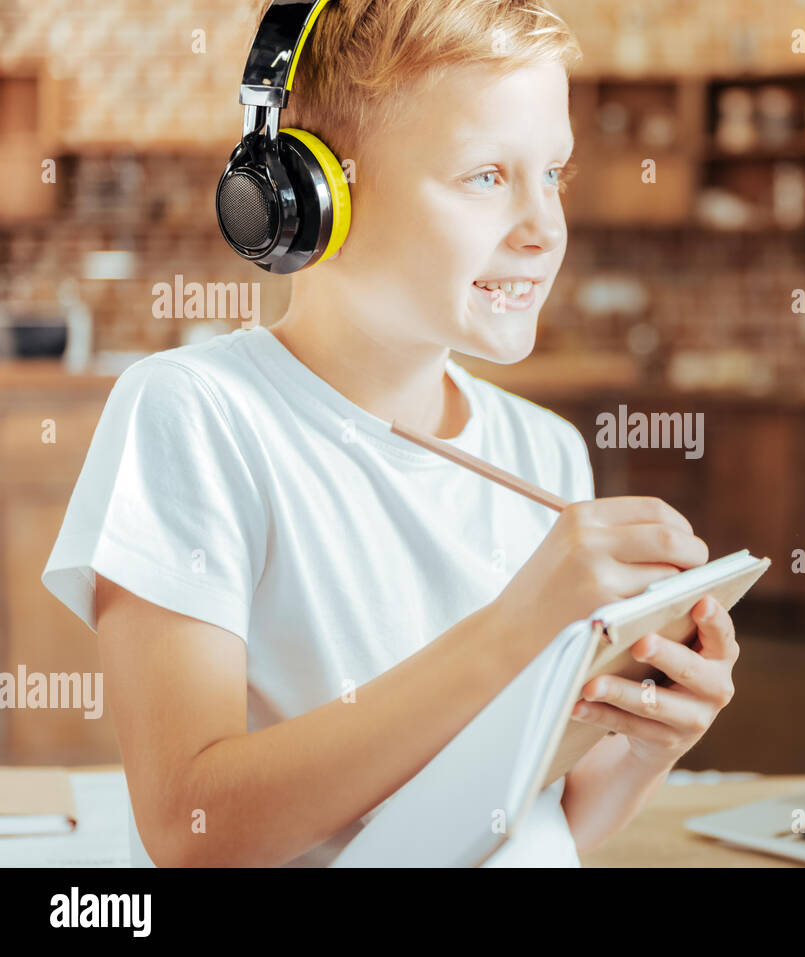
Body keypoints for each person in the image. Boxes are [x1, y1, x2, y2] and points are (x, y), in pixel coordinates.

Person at [41, 0, 739, 867]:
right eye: (485, 176)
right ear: (305, 195)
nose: (543, 227)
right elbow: (195, 828)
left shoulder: (544, 450)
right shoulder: (199, 415)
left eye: (552, 173)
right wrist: (520, 621)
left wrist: (647, 739)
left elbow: (524, 826)